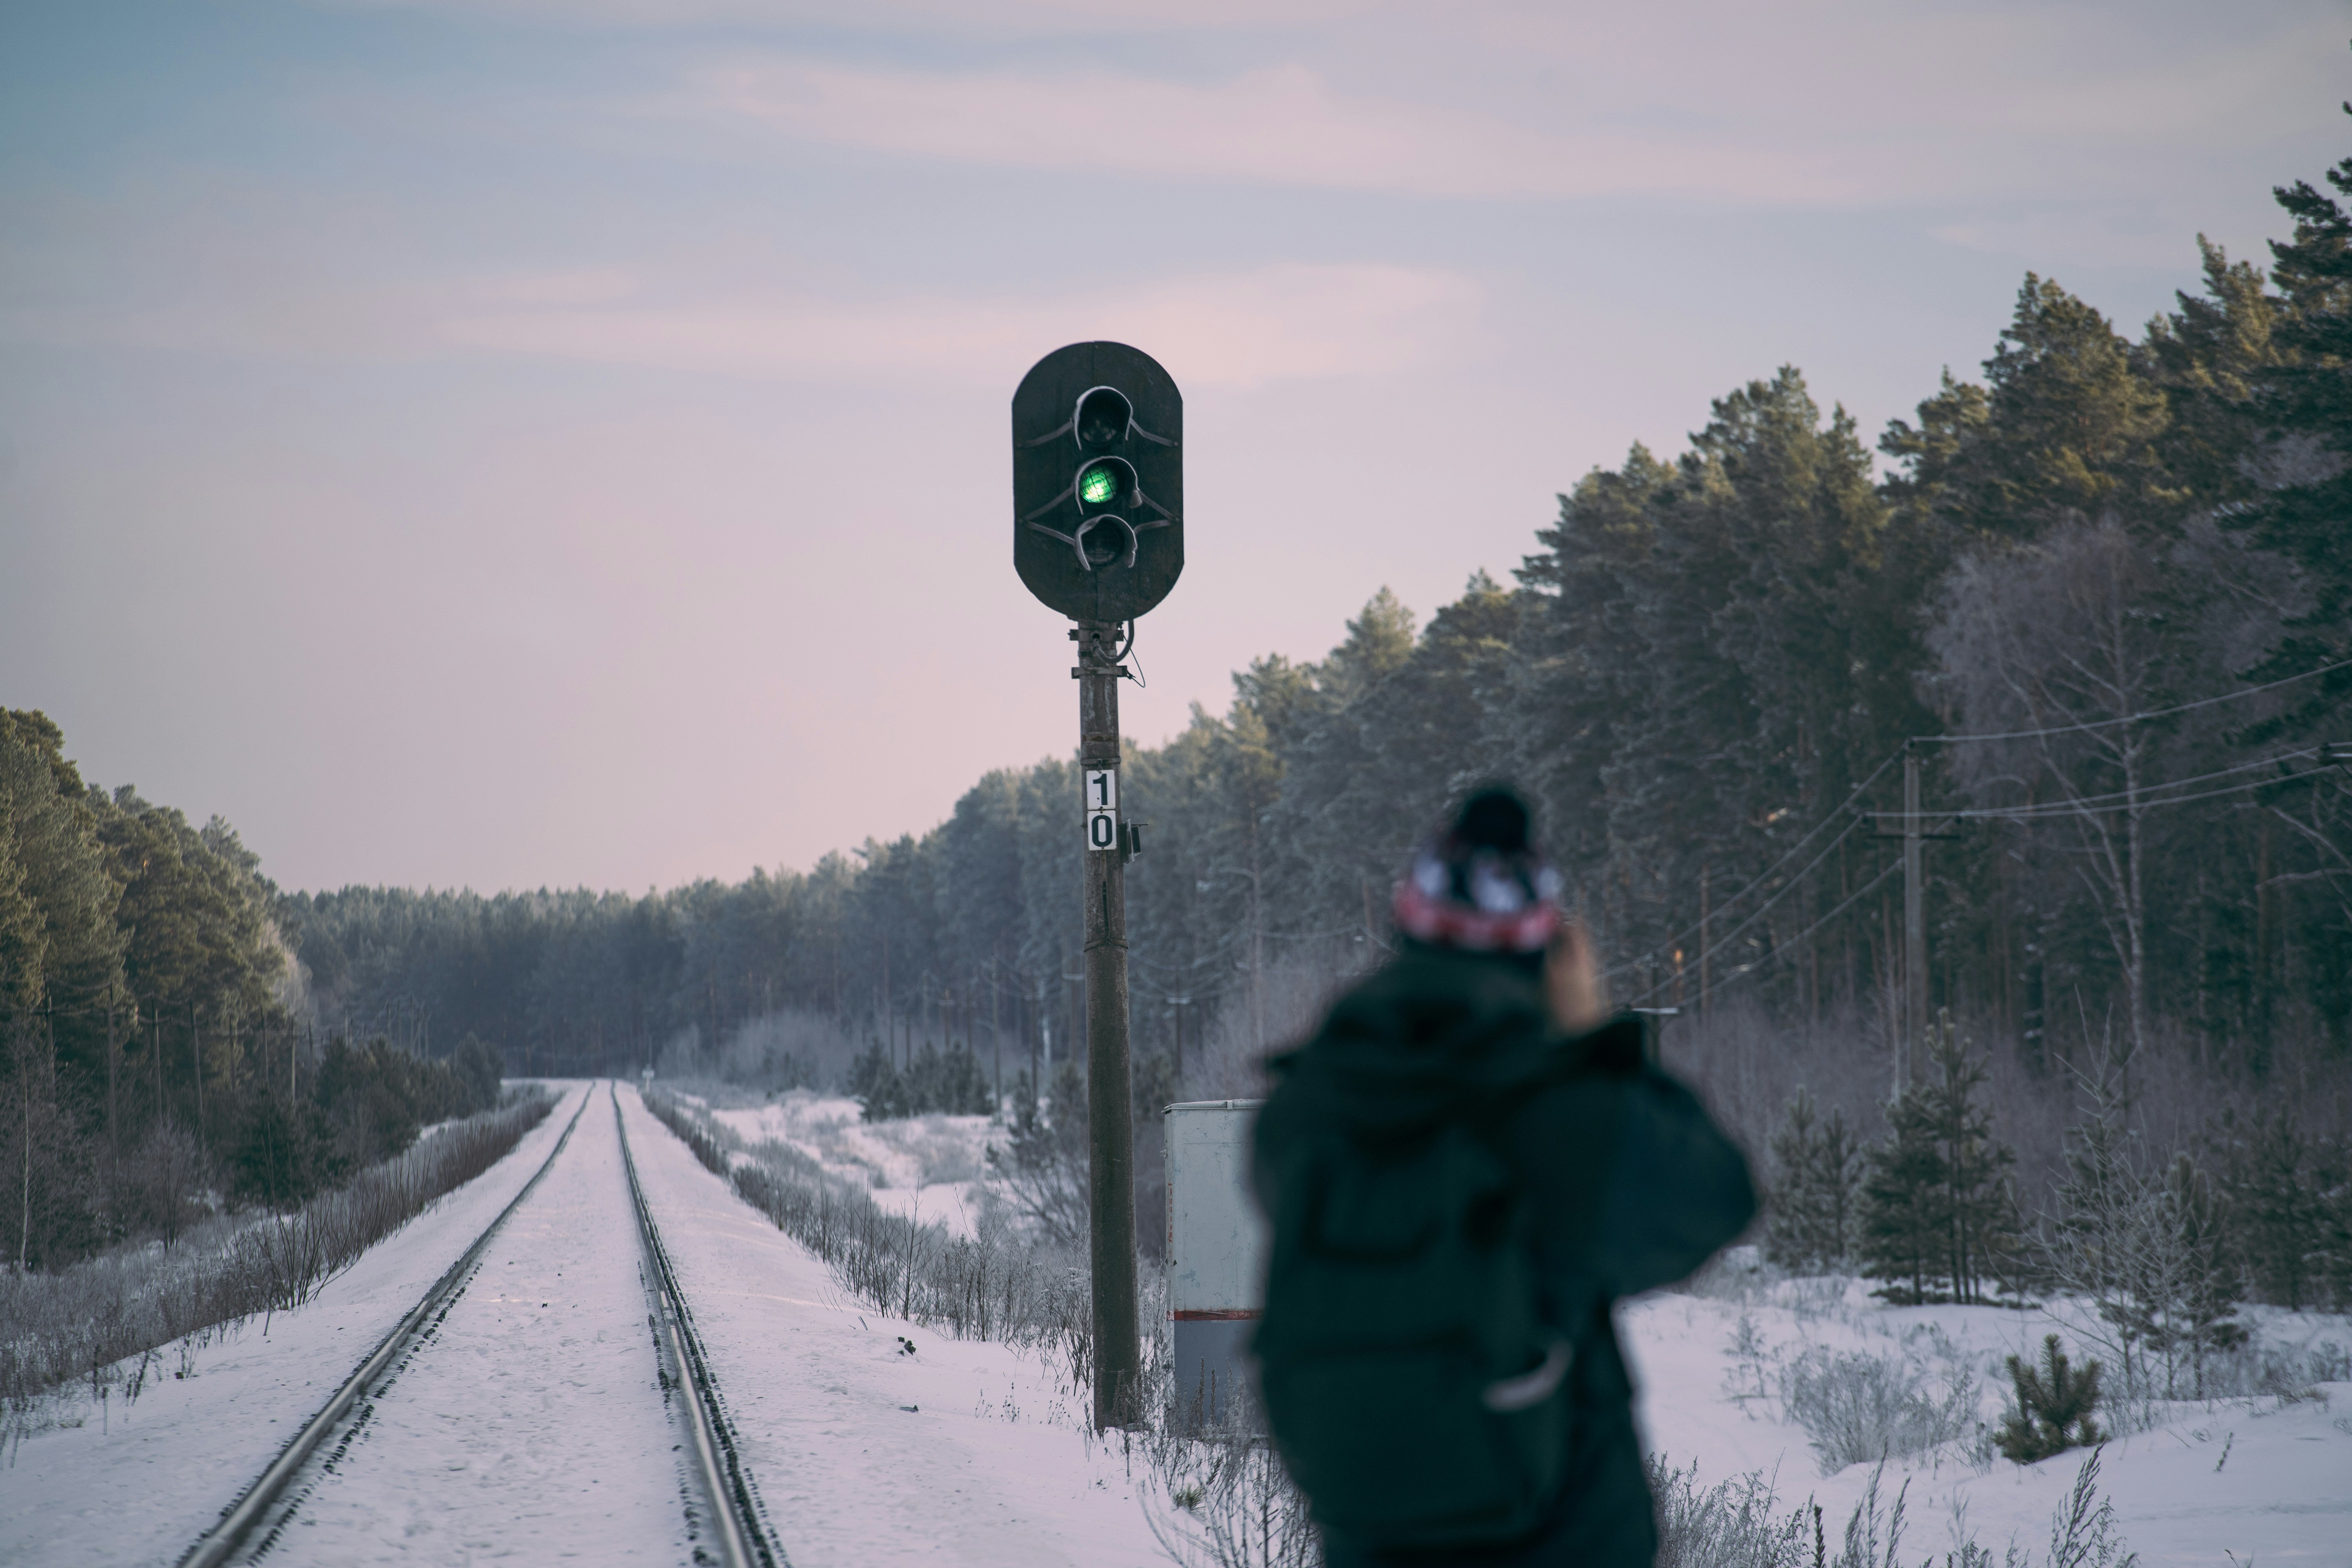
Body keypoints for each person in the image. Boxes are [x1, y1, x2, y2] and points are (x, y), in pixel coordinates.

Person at [1250, 787, 1755, 1568]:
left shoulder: (1302, 1114)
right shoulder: (1563, 1120)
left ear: (1406, 927)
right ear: (1542, 948)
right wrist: (1591, 1034)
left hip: (1371, 1546)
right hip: (1560, 1541)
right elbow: (1719, 1195)